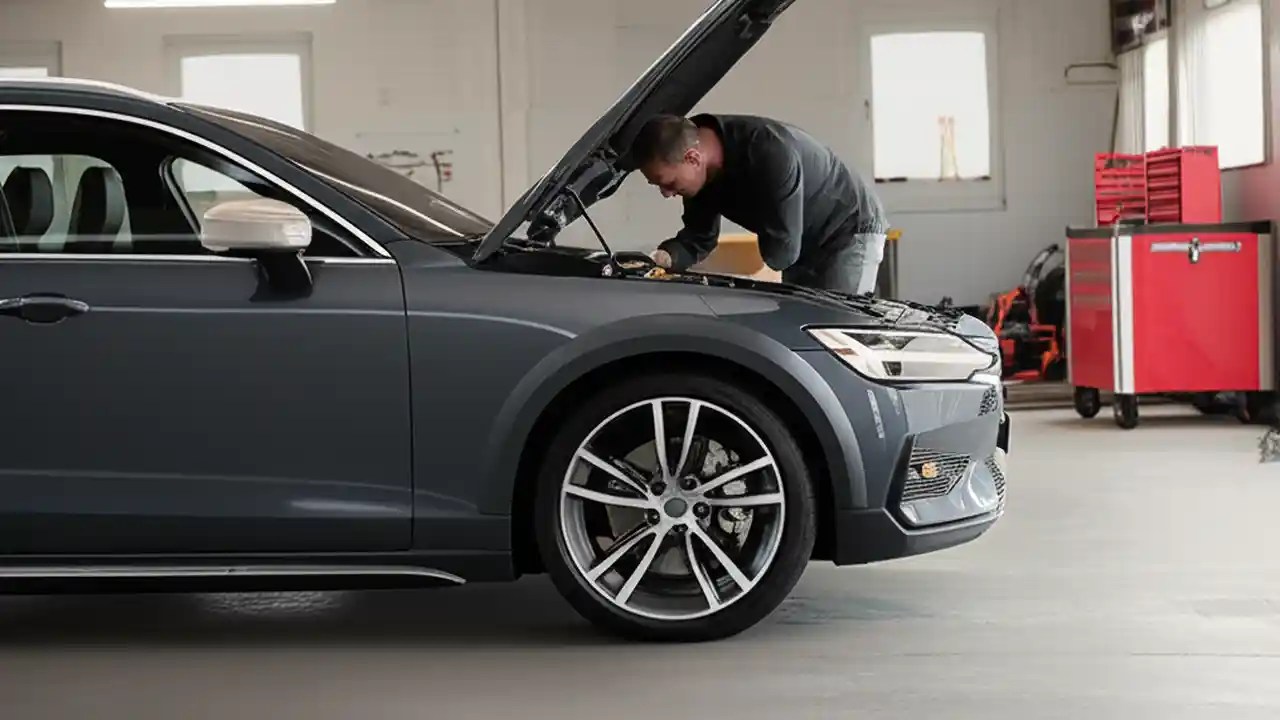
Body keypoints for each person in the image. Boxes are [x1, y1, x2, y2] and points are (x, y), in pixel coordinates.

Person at [632, 113, 890, 295]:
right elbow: (698, 238)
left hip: (848, 226)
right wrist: (663, 258)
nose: (666, 194)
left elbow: (782, 252)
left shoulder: (768, 153)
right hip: (801, 239)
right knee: (799, 328)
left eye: (666, 182)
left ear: (693, 158)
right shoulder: (699, 175)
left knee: (836, 331)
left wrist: (744, 288)